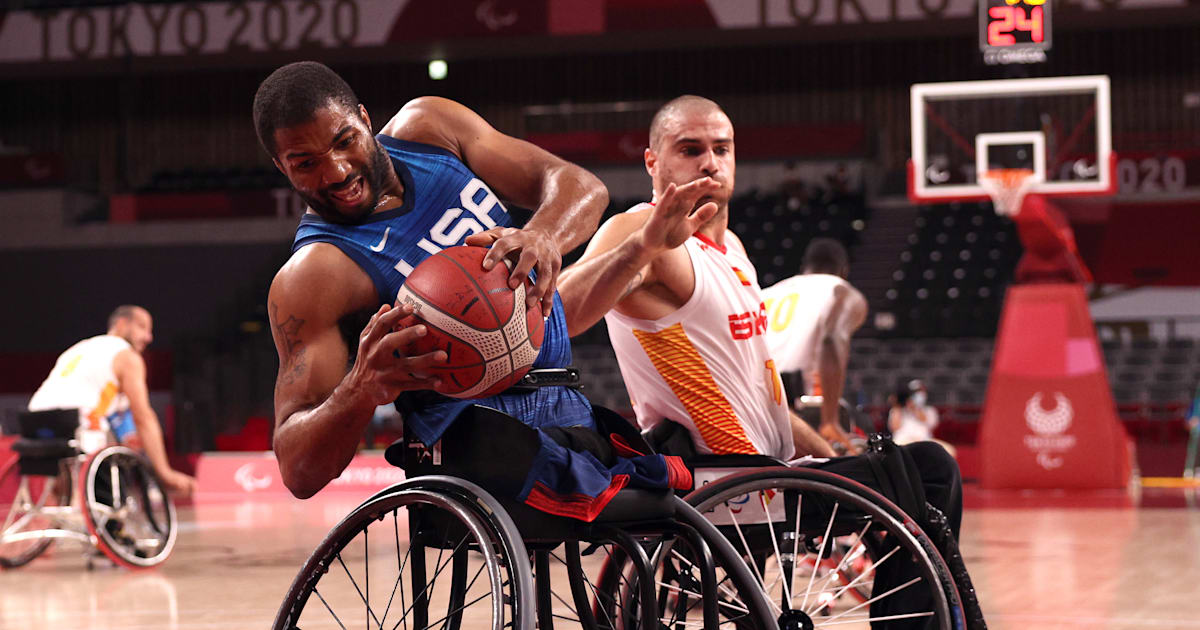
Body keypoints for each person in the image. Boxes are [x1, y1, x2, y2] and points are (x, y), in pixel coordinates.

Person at [253, 62, 688, 518]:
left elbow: (580, 186)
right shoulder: (312, 277)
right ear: (281, 167)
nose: (336, 171)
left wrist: (541, 235)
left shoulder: (430, 128)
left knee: (677, 501)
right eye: (306, 163)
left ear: (364, 119)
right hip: (470, 436)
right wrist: (359, 390)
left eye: (345, 141)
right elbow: (297, 468)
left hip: (567, 404)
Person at [557, 95, 961, 533]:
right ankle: (916, 606)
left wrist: (829, 451)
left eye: (721, 149)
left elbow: (763, 398)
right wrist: (642, 248)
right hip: (721, 482)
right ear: (653, 162)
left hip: (767, 473)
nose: (709, 162)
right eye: (690, 150)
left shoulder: (733, 248)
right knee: (931, 469)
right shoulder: (639, 229)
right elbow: (560, 313)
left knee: (891, 473)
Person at [27, 306, 196, 497]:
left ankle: (59, 510)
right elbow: (143, 417)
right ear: (121, 324)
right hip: (73, 423)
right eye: (142, 327)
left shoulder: (81, 347)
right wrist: (165, 473)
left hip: (33, 422)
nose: (149, 337)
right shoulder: (127, 356)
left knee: (70, 470)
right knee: (113, 496)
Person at [761, 238, 868, 453]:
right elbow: (832, 338)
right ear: (844, 271)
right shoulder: (842, 292)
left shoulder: (765, 293)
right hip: (797, 412)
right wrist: (830, 419)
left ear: (804, 268)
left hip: (750, 408)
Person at [889, 379, 956, 458]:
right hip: (903, 441)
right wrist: (897, 405)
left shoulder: (930, 410)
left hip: (924, 441)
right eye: (915, 392)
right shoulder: (897, 410)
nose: (918, 394)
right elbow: (895, 427)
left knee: (949, 450)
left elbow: (928, 422)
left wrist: (914, 408)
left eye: (920, 391)